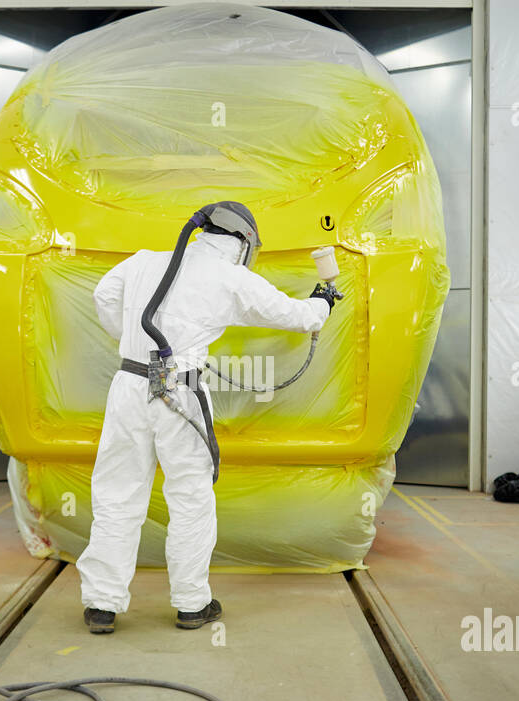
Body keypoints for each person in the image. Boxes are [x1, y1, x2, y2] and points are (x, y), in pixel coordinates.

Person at [76, 203, 339, 633]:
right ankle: (192, 604)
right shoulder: (231, 278)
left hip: (129, 384)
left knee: (117, 493)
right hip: (177, 390)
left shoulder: (144, 261)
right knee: (190, 497)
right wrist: (323, 301)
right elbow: (298, 316)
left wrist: (132, 342)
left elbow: (104, 296)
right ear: (243, 243)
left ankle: (102, 604)